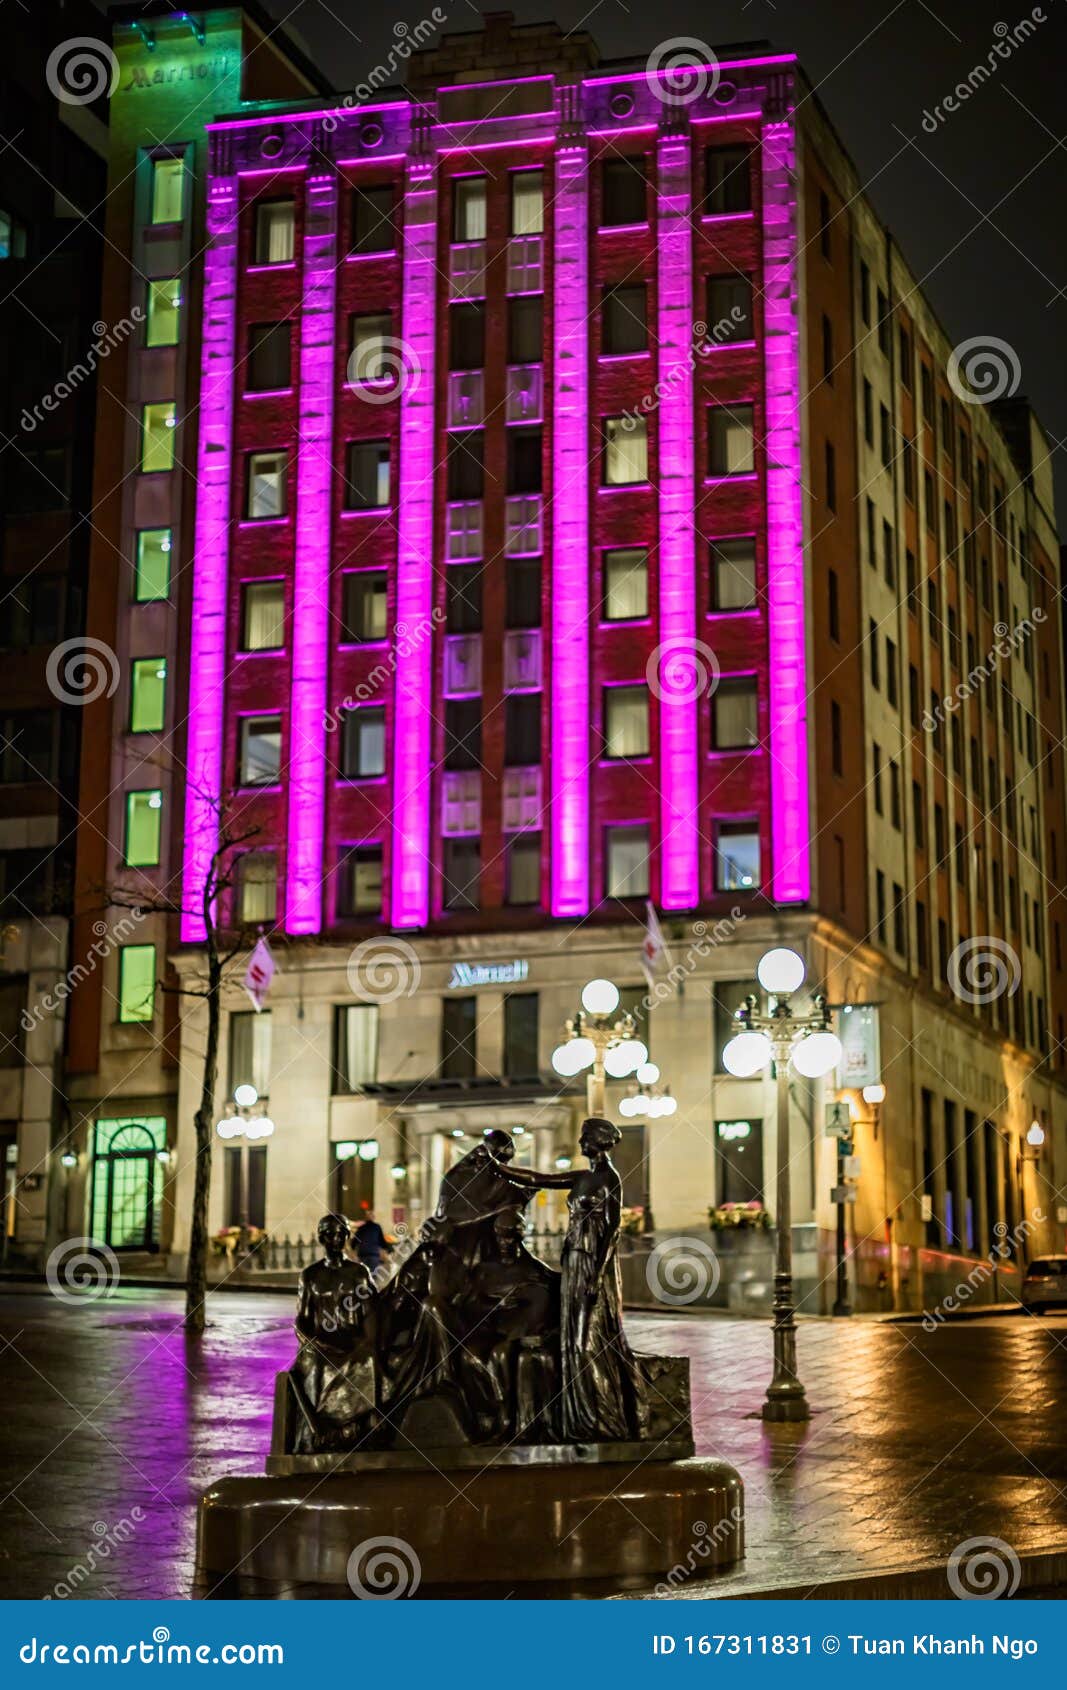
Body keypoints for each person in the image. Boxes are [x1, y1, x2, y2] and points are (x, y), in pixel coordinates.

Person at [351, 1209, 392, 1277]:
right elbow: (381, 1241)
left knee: (363, 1275)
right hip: (373, 1255)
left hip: (363, 1255)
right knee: (372, 1276)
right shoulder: (376, 1227)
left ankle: (365, 1286)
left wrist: (353, 1249)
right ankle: (371, 1286)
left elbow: (354, 1242)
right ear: (373, 1217)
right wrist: (389, 1249)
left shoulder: (361, 1228)